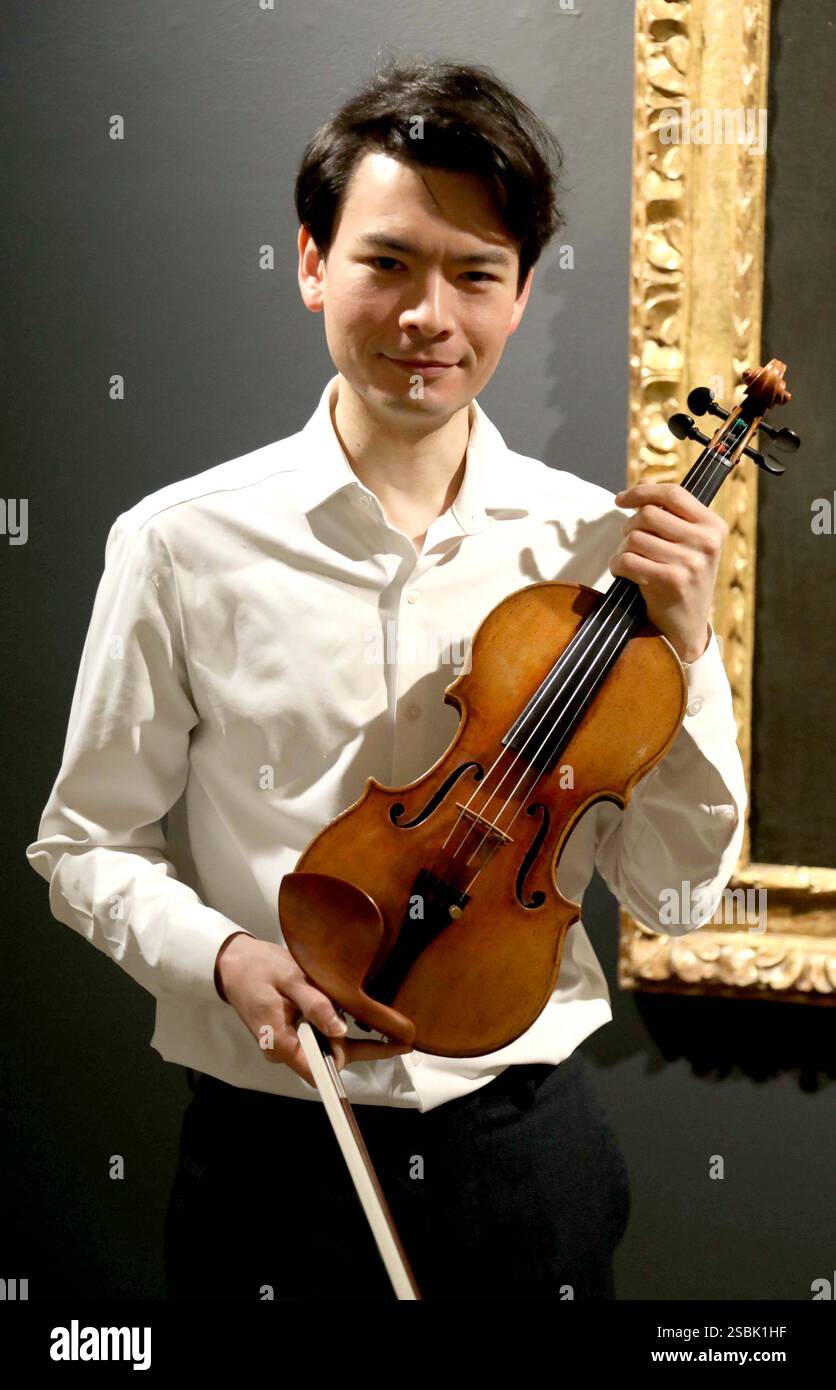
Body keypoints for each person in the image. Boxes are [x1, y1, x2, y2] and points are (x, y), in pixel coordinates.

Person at [26, 58, 747, 1301]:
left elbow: (677, 897)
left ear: (519, 296)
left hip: (525, 1152)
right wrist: (221, 957)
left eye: (475, 275)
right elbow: (84, 843)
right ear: (311, 263)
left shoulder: (608, 556)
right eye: (387, 263)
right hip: (273, 1159)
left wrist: (684, 652)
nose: (430, 317)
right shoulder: (178, 541)